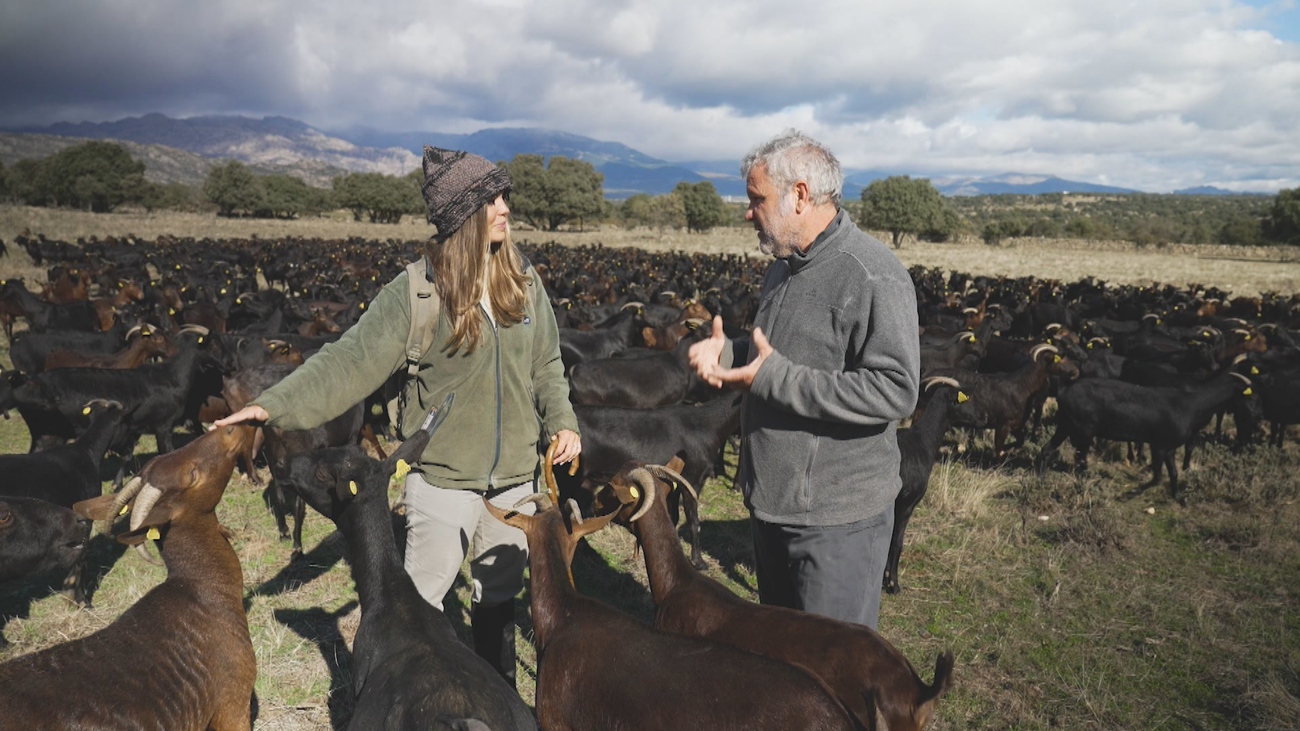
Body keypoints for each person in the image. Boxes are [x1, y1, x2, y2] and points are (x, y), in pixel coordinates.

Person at [216, 146, 580, 686]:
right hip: (440, 481)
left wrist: (563, 420)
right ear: (462, 215)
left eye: (504, 196)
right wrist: (276, 404)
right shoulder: (416, 291)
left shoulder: (522, 279)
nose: (506, 208)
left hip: (513, 487)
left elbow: (547, 361)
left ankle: (494, 697)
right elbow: (349, 361)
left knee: (498, 601)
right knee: (422, 605)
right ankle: (415, 702)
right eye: (492, 200)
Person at [688, 129, 919, 630]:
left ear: (798, 195)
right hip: (773, 506)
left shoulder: (872, 274)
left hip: (836, 522)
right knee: (786, 673)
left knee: (832, 680)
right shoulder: (782, 269)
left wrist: (772, 376)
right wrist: (729, 354)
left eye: (756, 199)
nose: (747, 212)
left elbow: (896, 390)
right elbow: (773, 356)